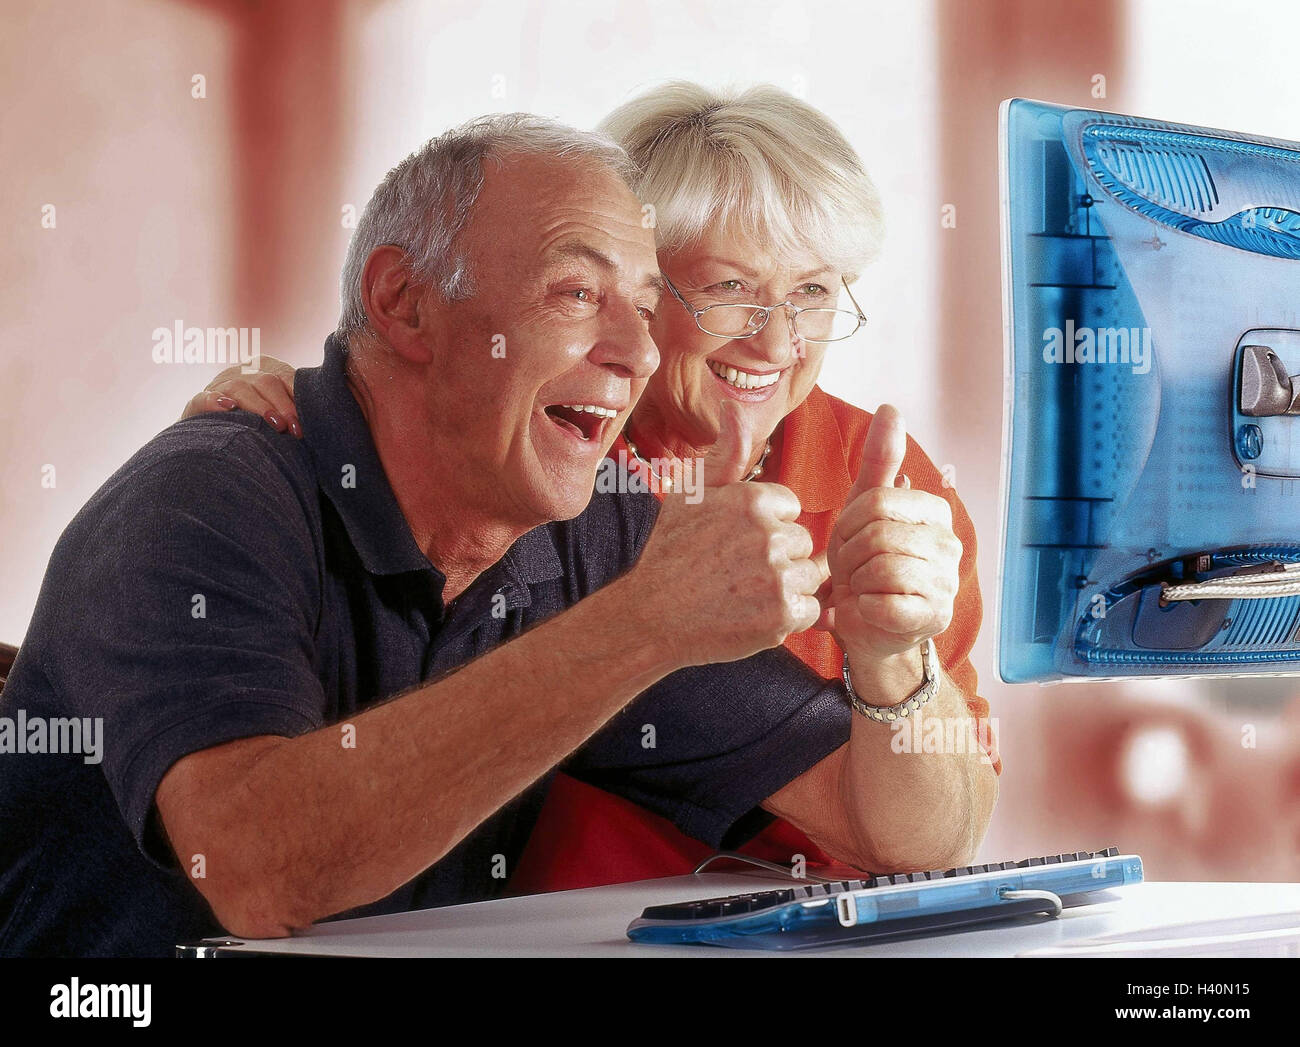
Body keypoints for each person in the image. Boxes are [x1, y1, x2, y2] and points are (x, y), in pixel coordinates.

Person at [0, 111, 991, 958]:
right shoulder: (207, 496)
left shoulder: (587, 530)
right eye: (576, 293)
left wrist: (892, 657)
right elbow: (257, 873)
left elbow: (899, 828)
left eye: (646, 306)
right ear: (402, 302)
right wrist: (640, 626)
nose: (640, 350)